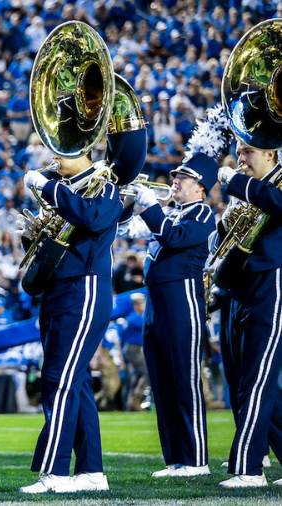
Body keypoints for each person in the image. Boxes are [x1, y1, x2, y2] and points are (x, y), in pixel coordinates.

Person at [19, 151, 123, 494]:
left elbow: (91, 218)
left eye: (63, 152)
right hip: (58, 290)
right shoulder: (67, 190)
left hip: (85, 289)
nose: (55, 159)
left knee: (58, 380)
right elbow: (61, 243)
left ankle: (56, 471)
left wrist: (48, 189)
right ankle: (92, 470)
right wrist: (35, 236)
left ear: (85, 153)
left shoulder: (104, 188)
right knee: (73, 382)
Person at [121, 129, 219, 477]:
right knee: (161, 381)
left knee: (184, 380)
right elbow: (127, 229)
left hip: (183, 302)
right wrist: (133, 206)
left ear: (201, 188)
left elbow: (175, 239)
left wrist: (150, 208)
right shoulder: (170, 212)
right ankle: (175, 458)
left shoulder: (202, 214)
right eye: (176, 176)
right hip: (156, 305)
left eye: (184, 178)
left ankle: (196, 460)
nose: (175, 181)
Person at [215, 141, 282, 488]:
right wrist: (227, 223)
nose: (240, 159)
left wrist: (237, 184)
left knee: (257, 378)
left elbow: (277, 202)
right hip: (243, 288)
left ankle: (248, 468)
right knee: (250, 380)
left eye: (247, 153)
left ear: (271, 154)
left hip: (273, 283)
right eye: (239, 153)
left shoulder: (274, 184)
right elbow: (225, 246)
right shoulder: (252, 192)